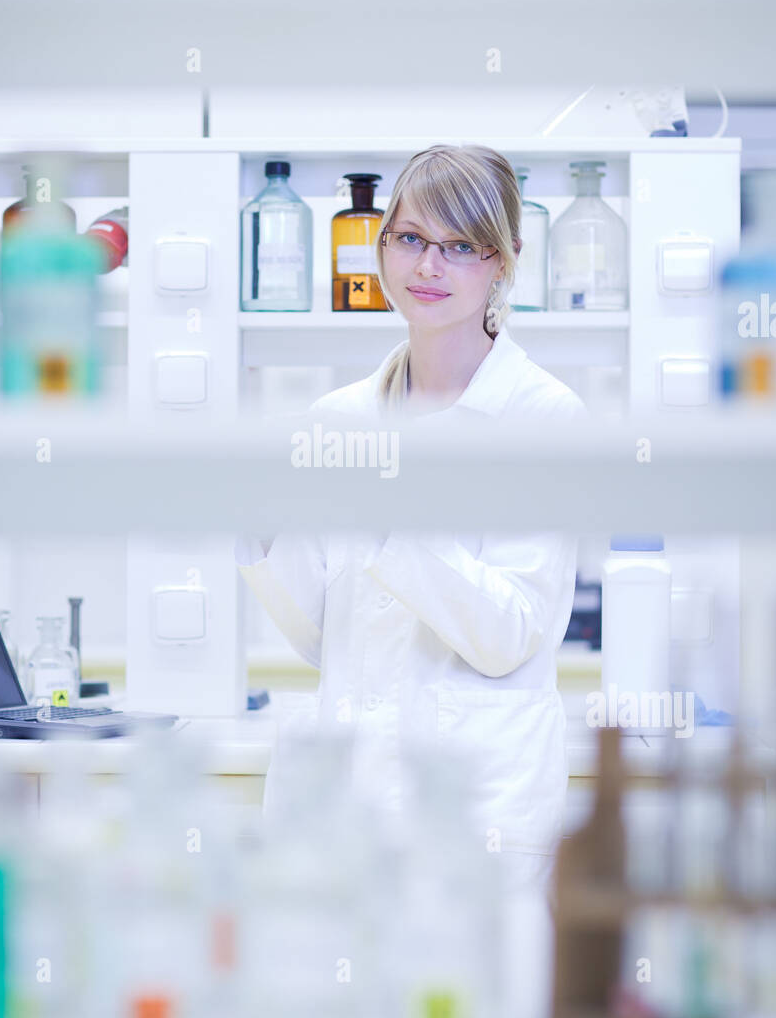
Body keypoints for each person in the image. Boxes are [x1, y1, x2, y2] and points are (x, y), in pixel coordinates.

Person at [236, 144, 585, 894]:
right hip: (348, 801)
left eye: (461, 246)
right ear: (382, 244)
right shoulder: (341, 417)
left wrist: (391, 523)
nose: (429, 266)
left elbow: (511, 633)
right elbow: (321, 639)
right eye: (411, 238)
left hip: (478, 807)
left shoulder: (543, 417)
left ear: (503, 261)